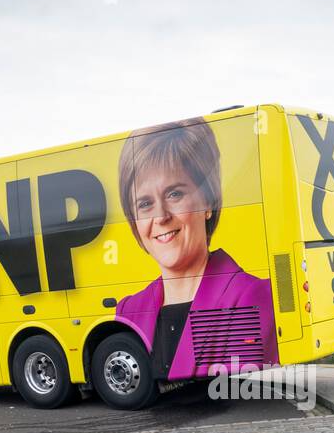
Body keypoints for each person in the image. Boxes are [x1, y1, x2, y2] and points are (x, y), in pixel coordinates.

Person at [115, 117, 278, 381]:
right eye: (145, 204)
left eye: (174, 194)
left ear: (208, 201)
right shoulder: (128, 310)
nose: (161, 216)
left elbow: (240, 388)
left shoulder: (253, 297)